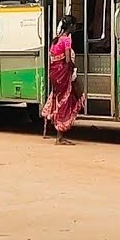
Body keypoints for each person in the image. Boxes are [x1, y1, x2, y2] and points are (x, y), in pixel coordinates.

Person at [41, 15, 84, 145]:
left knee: (58, 100)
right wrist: (74, 68)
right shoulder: (66, 40)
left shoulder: (56, 40)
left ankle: (57, 133)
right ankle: (60, 136)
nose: (76, 28)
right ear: (70, 27)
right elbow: (67, 59)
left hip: (55, 75)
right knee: (65, 102)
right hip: (63, 75)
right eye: (75, 25)